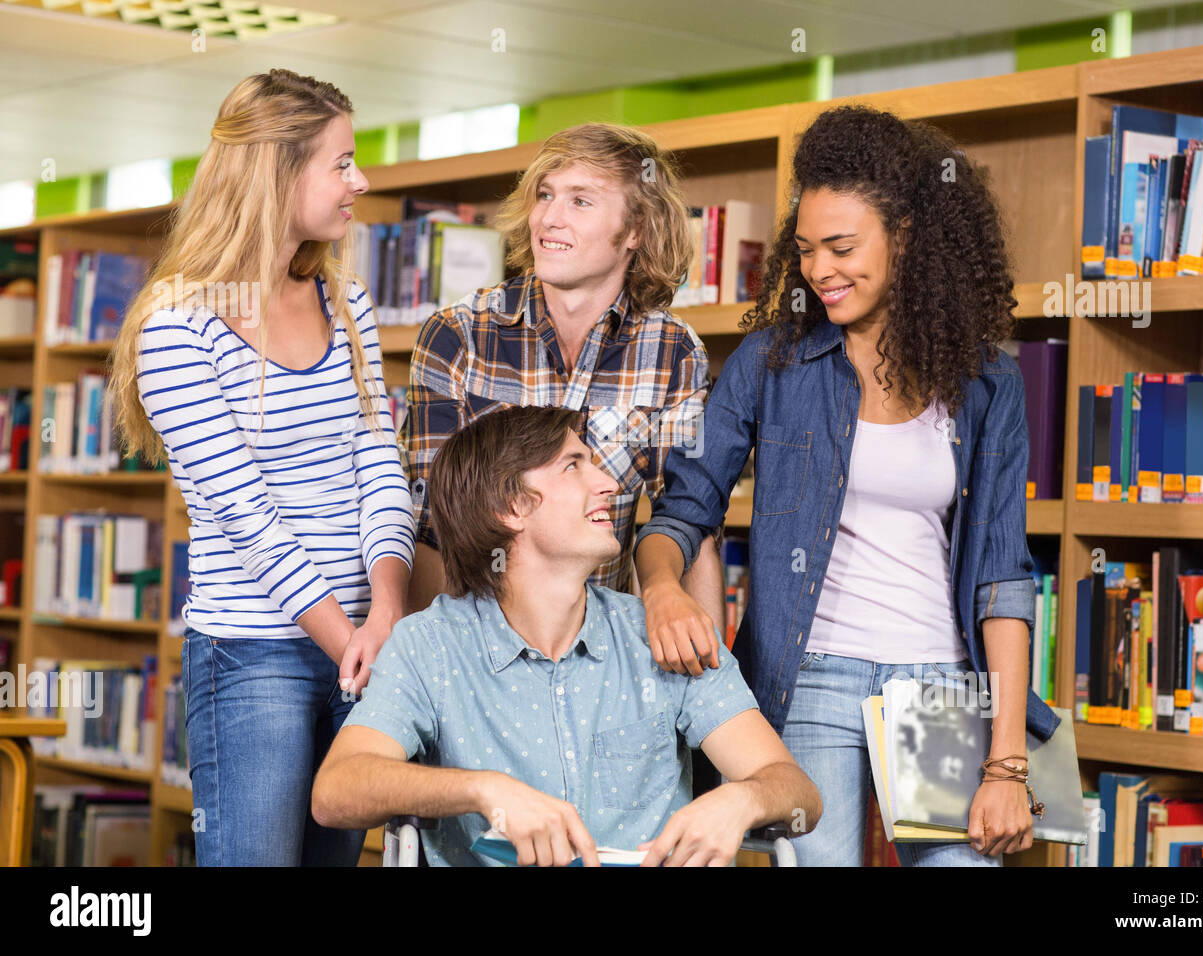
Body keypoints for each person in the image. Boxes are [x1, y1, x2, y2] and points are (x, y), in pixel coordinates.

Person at [633, 105, 1060, 867]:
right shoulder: (771, 364)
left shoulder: (988, 383)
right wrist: (660, 584)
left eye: (841, 247)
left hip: (939, 685)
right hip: (810, 676)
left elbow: (1003, 579)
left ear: (907, 237)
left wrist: (1005, 764)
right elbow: (684, 506)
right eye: (805, 250)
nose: (820, 270)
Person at [109, 69, 415, 866]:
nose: (362, 181)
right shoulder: (178, 324)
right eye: (341, 162)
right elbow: (246, 515)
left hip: (363, 647)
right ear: (277, 170)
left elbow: (379, 461)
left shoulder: (347, 303)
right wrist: (346, 638)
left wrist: (385, 612)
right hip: (254, 656)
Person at [312, 405, 820, 866]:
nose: (610, 484)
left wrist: (739, 800)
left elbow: (797, 791)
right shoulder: (430, 646)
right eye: (573, 466)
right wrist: (484, 790)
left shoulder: (660, 637)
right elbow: (336, 791)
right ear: (510, 507)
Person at [401, 122, 722, 626]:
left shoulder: (672, 352)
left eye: (580, 201)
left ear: (636, 229)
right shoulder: (457, 335)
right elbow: (430, 528)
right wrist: (441, 670)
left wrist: (711, 690)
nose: (549, 217)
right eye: (545, 195)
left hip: (602, 655)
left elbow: (683, 522)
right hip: (475, 642)